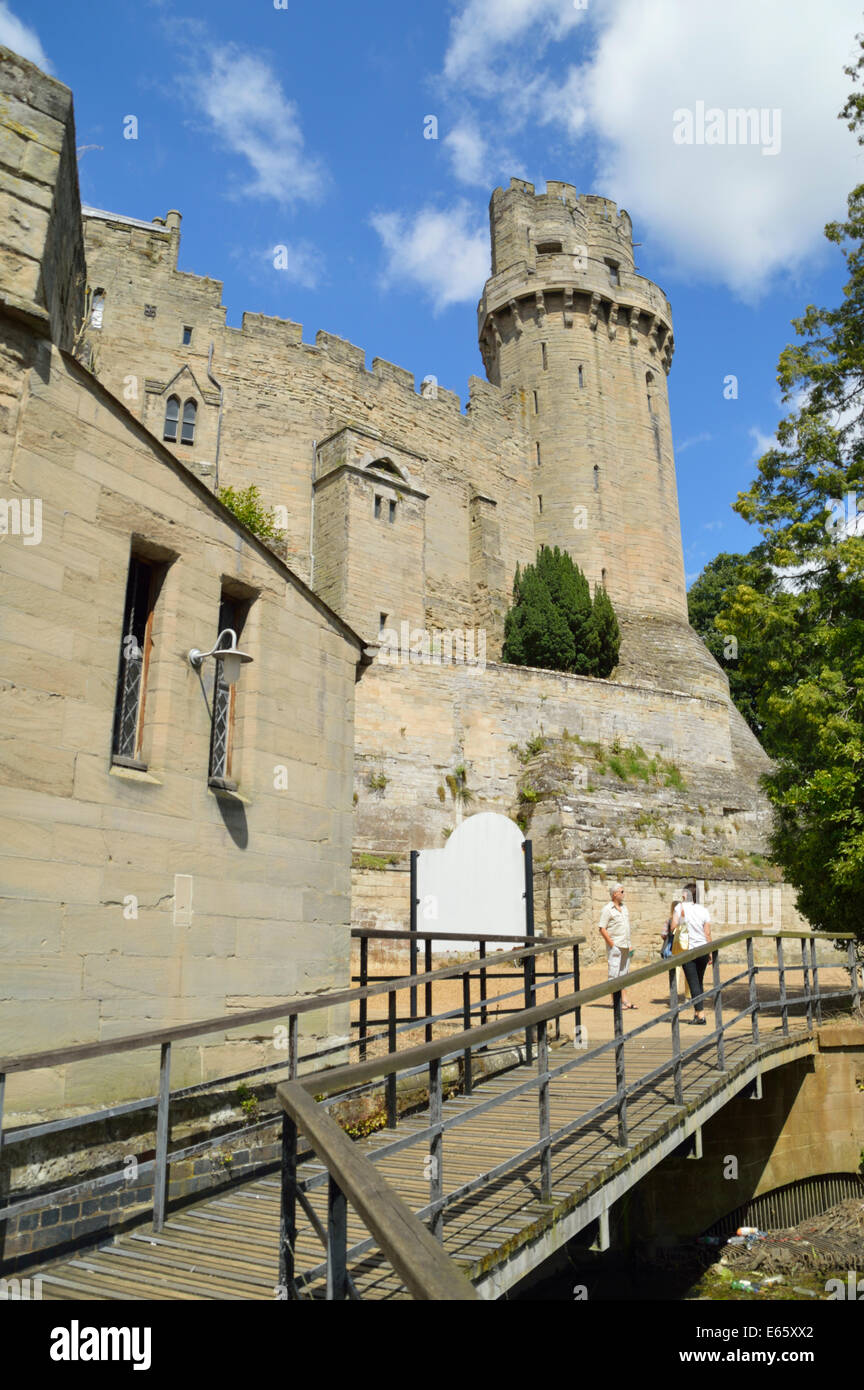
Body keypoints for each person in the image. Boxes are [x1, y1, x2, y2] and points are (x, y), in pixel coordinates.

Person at [671, 888, 712, 1024]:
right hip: (703, 949)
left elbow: (673, 926)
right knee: (698, 982)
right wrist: (710, 951)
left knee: (693, 982)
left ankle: (701, 1015)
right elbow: (707, 933)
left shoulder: (680, 907)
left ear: (685, 895)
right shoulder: (704, 910)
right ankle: (697, 1013)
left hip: (689, 949)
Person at [598, 882, 636, 1009]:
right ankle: (615, 1002)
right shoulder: (607, 909)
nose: (624, 894)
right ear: (615, 894)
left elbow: (627, 928)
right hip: (616, 946)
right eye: (622, 891)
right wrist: (612, 945)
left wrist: (630, 945)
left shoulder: (624, 908)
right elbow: (602, 928)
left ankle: (624, 1000)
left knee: (624, 974)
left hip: (625, 945)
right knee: (614, 973)